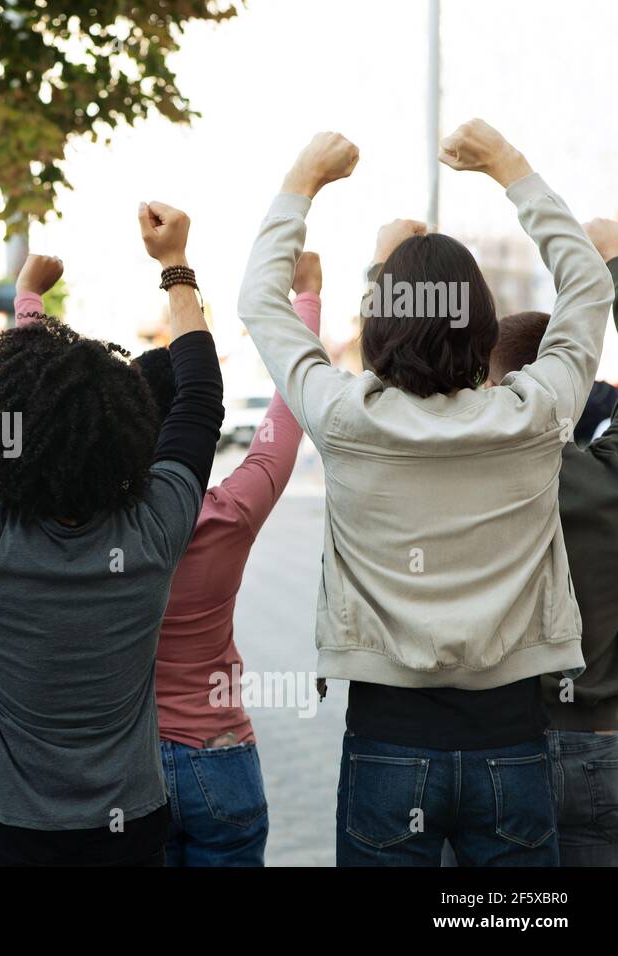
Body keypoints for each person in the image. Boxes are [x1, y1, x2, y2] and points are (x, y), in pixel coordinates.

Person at [236, 121, 614, 866]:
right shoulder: (536, 416)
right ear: (482, 329)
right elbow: (590, 283)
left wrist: (303, 182)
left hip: (387, 744)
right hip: (512, 742)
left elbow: (260, 303)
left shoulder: (344, 417)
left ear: (378, 328)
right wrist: (511, 166)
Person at [0, 203, 224, 866]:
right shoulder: (154, 530)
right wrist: (175, 267)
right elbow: (200, 399)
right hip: (129, 829)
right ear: (129, 432)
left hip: (12, 833)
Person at [133, 251, 324, 867]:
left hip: (128, 773)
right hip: (221, 756)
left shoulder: (93, 534)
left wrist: (23, 305)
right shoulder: (229, 514)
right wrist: (307, 300)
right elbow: (287, 414)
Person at [484, 216, 618, 866]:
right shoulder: (608, 476)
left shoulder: (471, 481)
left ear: (494, 384)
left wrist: (389, 268)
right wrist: (611, 262)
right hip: (606, 745)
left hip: (504, 750)